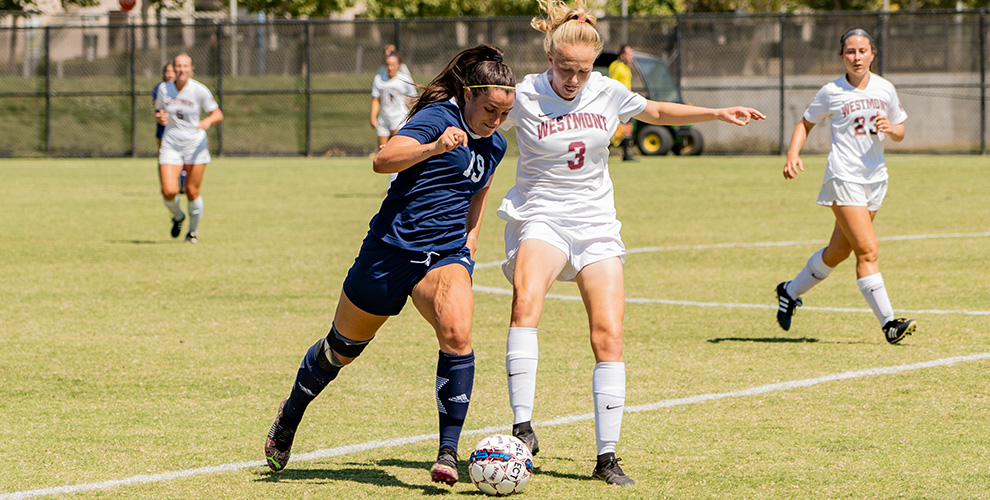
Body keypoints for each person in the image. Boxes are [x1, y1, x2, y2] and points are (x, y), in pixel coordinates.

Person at [497, 0, 765, 486]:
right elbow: (479, 117)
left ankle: (607, 458)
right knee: (525, 302)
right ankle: (523, 429)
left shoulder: (606, 89)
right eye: (565, 69)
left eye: (582, 70)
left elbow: (658, 109)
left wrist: (717, 112)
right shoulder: (525, 95)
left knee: (609, 335)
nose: (573, 80)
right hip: (543, 216)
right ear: (549, 60)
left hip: (596, 223)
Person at [264, 44, 515, 487]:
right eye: (490, 110)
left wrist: (471, 239)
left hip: (445, 255)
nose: (496, 121)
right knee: (340, 350)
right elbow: (382, 161)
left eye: (504, 114)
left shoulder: (494, 143)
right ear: (468, 95)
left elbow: (480, 189)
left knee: (457, 334)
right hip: (390, 251)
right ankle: (290, 414)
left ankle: (447, 453)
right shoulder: (438, 118)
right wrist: (434, 147)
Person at [775, 28, 916, 344]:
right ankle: (889, 324)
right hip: (843, 177)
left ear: (872, 54)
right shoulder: (831, 91)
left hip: (876, 179)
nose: (856, 57)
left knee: (838, 251)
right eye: (850, 51)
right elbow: (805, 123)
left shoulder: (885, 89)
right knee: (868, 250)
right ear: (841, 56)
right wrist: (792, 154)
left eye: (862, 50)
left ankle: (789, 291)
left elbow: (901, 130)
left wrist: (891, 128)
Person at [154, 53, 223, 244]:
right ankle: (178, 216)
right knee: (169, 191)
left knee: (192, 191)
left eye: (185, 66)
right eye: (178, 66)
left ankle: (192, 232)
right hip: (171, 144)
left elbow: (217, 113)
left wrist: (208, 121)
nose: (181, 69)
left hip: (195, 144)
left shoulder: (199, 90)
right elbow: (159, 110)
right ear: (173, 68)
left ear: (192, 69)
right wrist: (160, 117)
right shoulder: (164, 89)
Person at [370, 52, 417, 187]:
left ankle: (395, 186)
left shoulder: (404, 79)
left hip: (399, 118)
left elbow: (413, 98)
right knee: (383, 154)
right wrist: (373, 116)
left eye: (393, 65)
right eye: (388, 65)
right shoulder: (379, 79)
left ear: (398, 66)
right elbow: (376, 100)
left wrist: (413, 115)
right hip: (384, 120)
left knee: (396, 152)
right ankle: (392, 184)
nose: (390, 68)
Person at [152, 63, 185, 194]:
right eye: (167, 71)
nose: (170, 74)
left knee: (183, 156)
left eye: (172, 71)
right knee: (163, 156)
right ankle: (166, 183)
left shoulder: (185, 88)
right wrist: (161, 115)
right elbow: (157, 106)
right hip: (164, 128)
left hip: (181, 129)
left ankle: (183, 183)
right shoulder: (160, 88)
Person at [608, 45, 635, 161]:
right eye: (629, 54)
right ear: (622, 55)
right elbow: (613, 84)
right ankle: (624, 154)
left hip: (626, 101)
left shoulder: (625, 67)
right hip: (619, 101)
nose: (631, 56)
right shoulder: (618, 67)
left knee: (628, 126)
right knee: (620, 127)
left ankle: (626, 154)